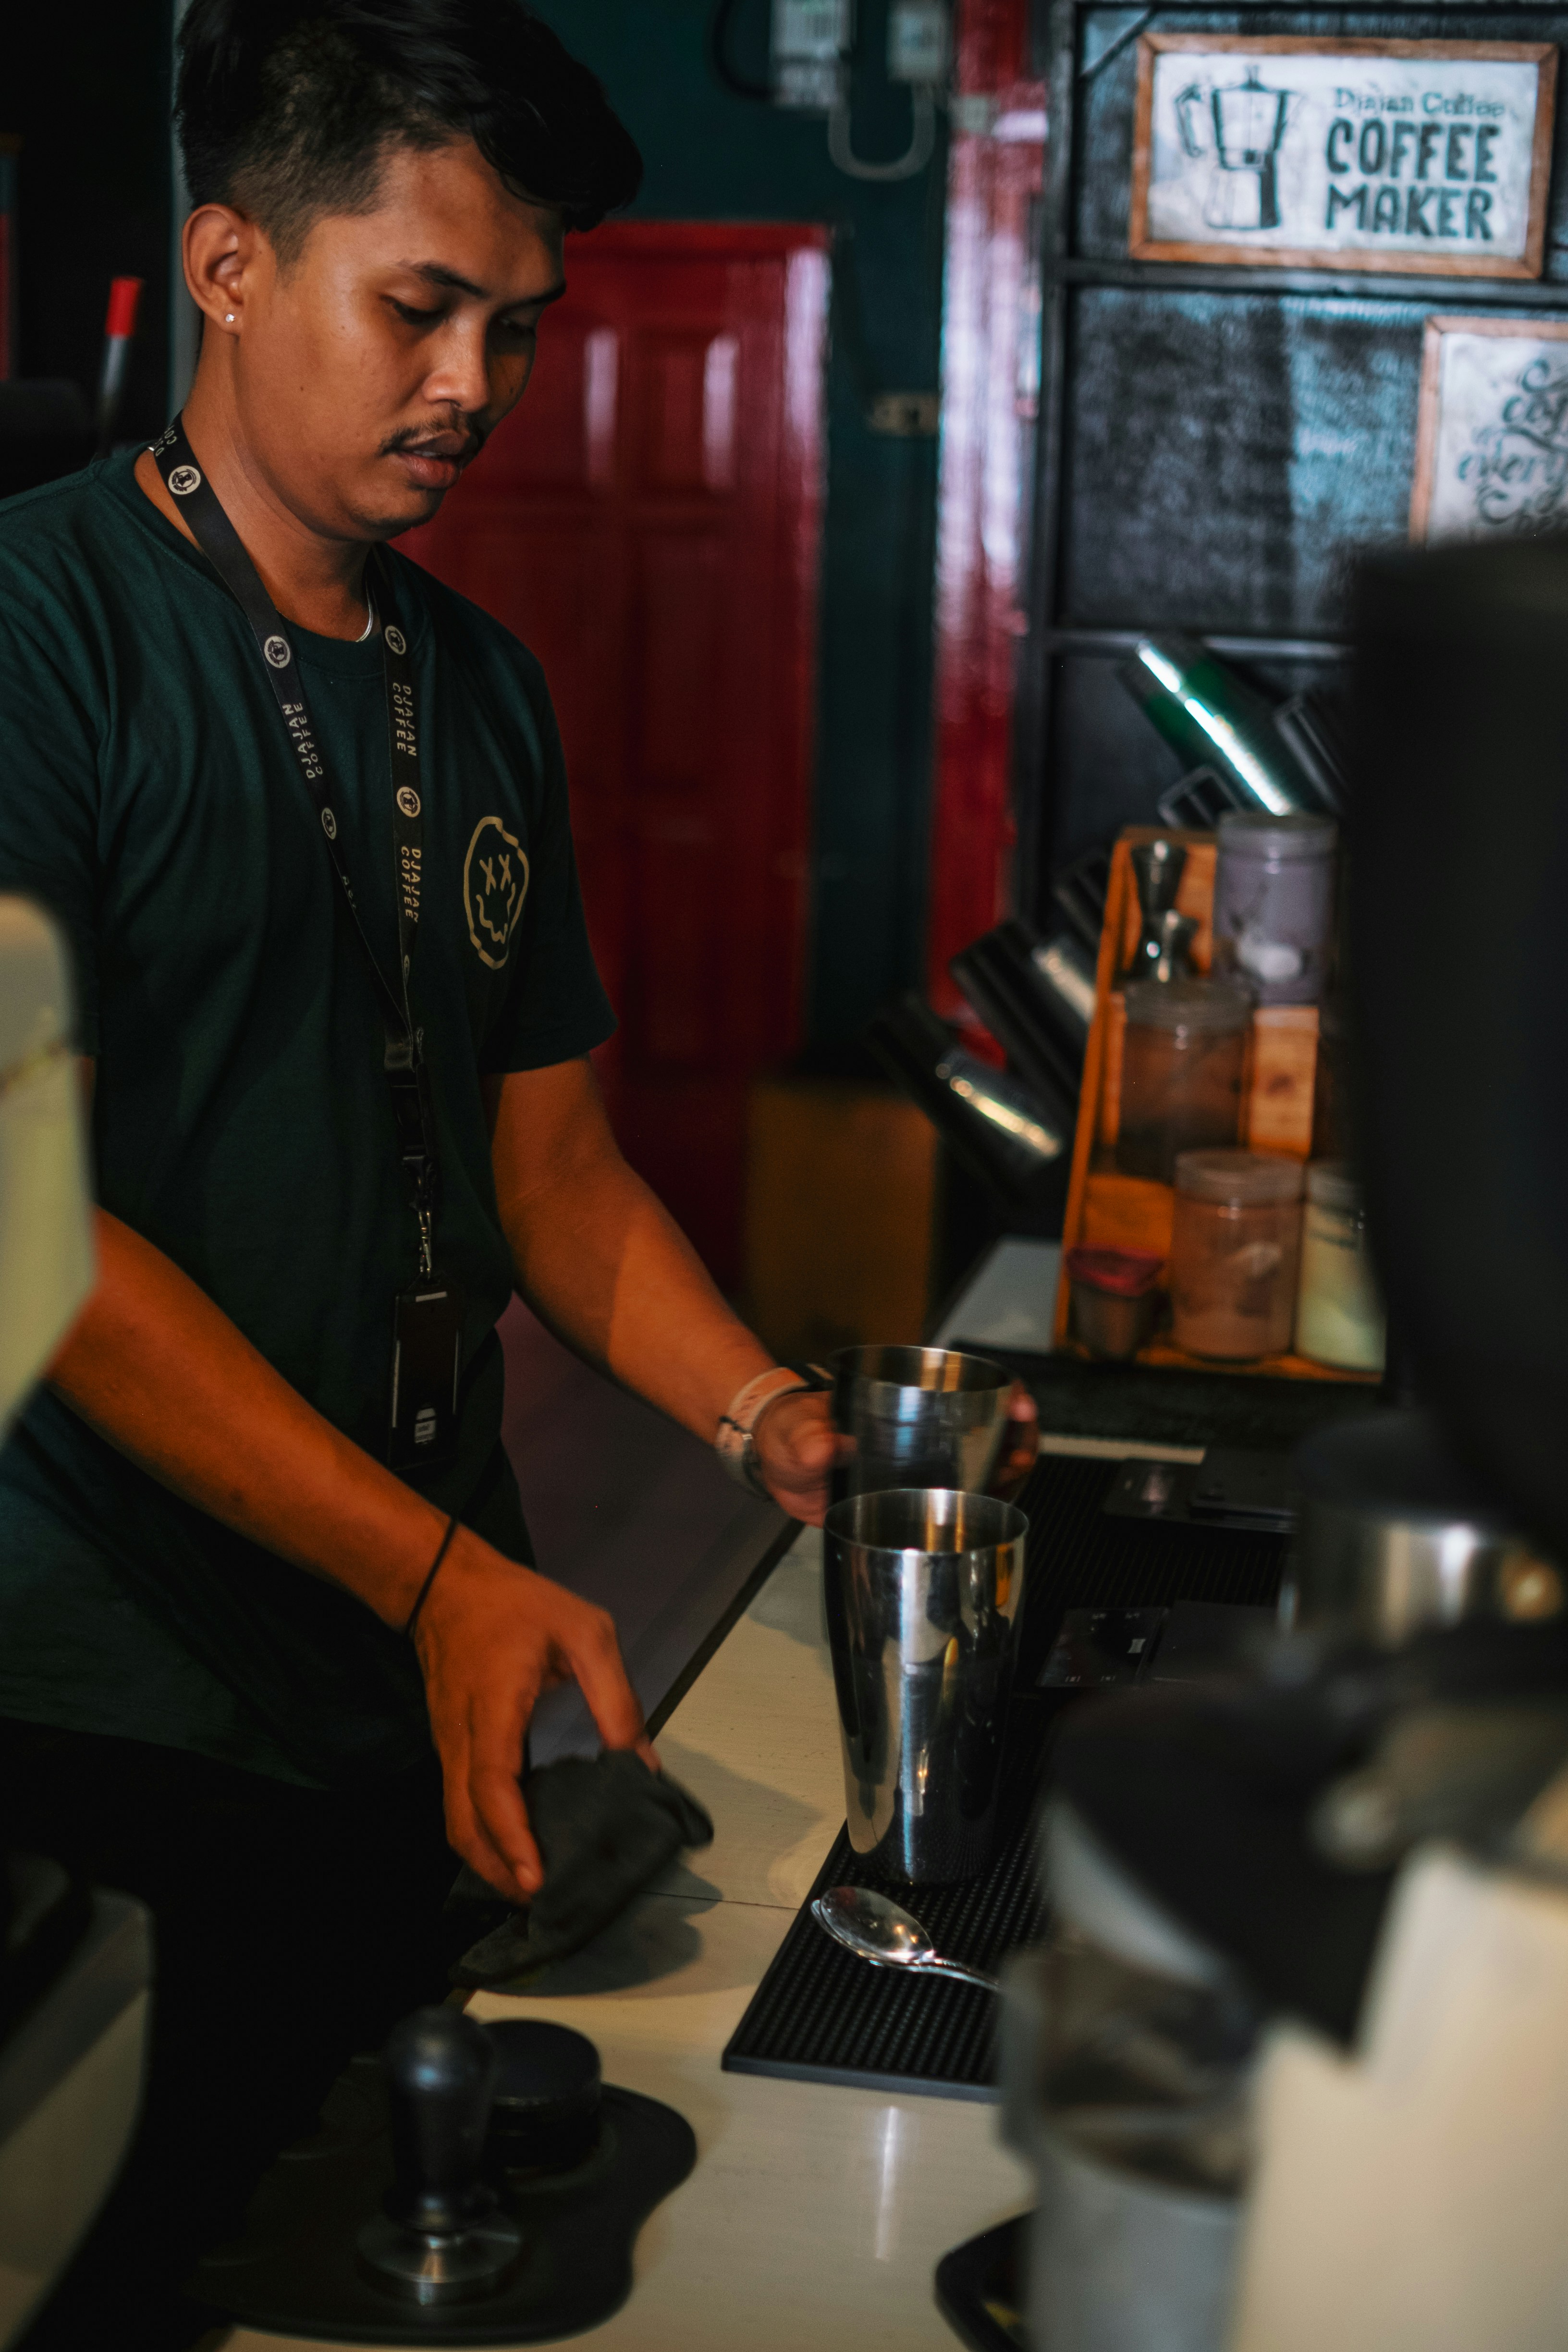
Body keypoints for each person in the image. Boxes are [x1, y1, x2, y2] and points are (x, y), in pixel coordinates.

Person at [0, 2, 1037, 2339]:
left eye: (520, 329)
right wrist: (441, 1570)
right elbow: (31, 1235)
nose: (474, 382)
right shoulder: (37, 633)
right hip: (104, 1703)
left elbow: (549, 1170)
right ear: (234, 266)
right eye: (421, 307)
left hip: (415, 1678)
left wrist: (768, 1415)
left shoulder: (481, 684)